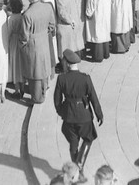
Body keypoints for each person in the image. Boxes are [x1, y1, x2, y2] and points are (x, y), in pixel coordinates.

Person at [53, 49, 103, 182]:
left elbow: (57, 100)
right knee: (88, 138)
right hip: (84, 116)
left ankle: (75, 173)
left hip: (69, 117)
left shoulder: (62, 78)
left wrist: (61, 111)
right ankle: (79, 167)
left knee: (73, 145)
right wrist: (99, 114)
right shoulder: (85, 78)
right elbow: (93, 97)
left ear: (67, 63)